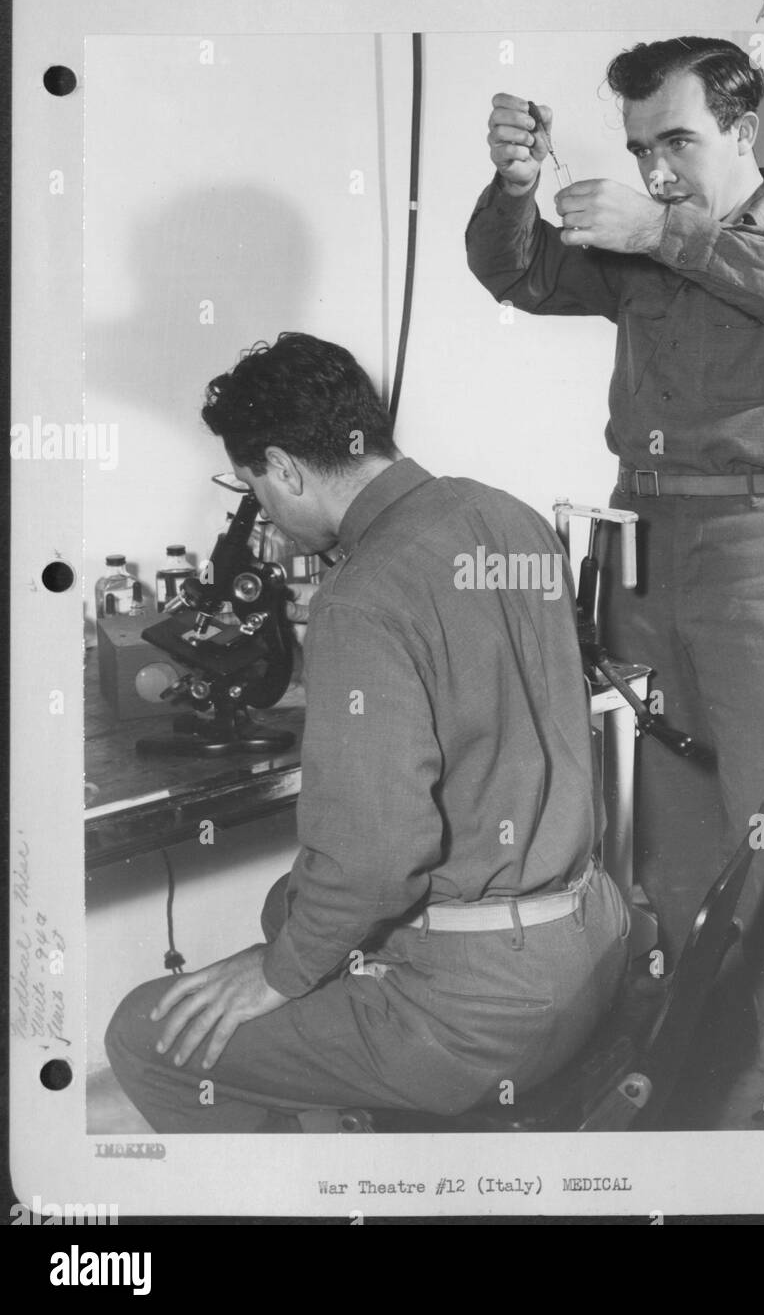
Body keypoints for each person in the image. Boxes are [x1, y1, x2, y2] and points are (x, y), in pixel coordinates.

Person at [466, 36, 764, 1113]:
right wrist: (517, 191)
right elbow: (518, 271)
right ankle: (693, 1081)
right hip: (643, 550)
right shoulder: (642, 246)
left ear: (744, 132)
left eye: (679, 142)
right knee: (675, 851)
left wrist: (670, 233)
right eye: (641, 146)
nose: (655, 169)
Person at [105, 332, 629, 1132]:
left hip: (485, 1010)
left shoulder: (362, 599)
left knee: (146, 1033)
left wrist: (278, 974)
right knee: (288, 906)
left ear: (284, 467)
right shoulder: (509, 516)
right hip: (590, 938)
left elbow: (377, 859)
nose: (265, 510)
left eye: (253, 485)